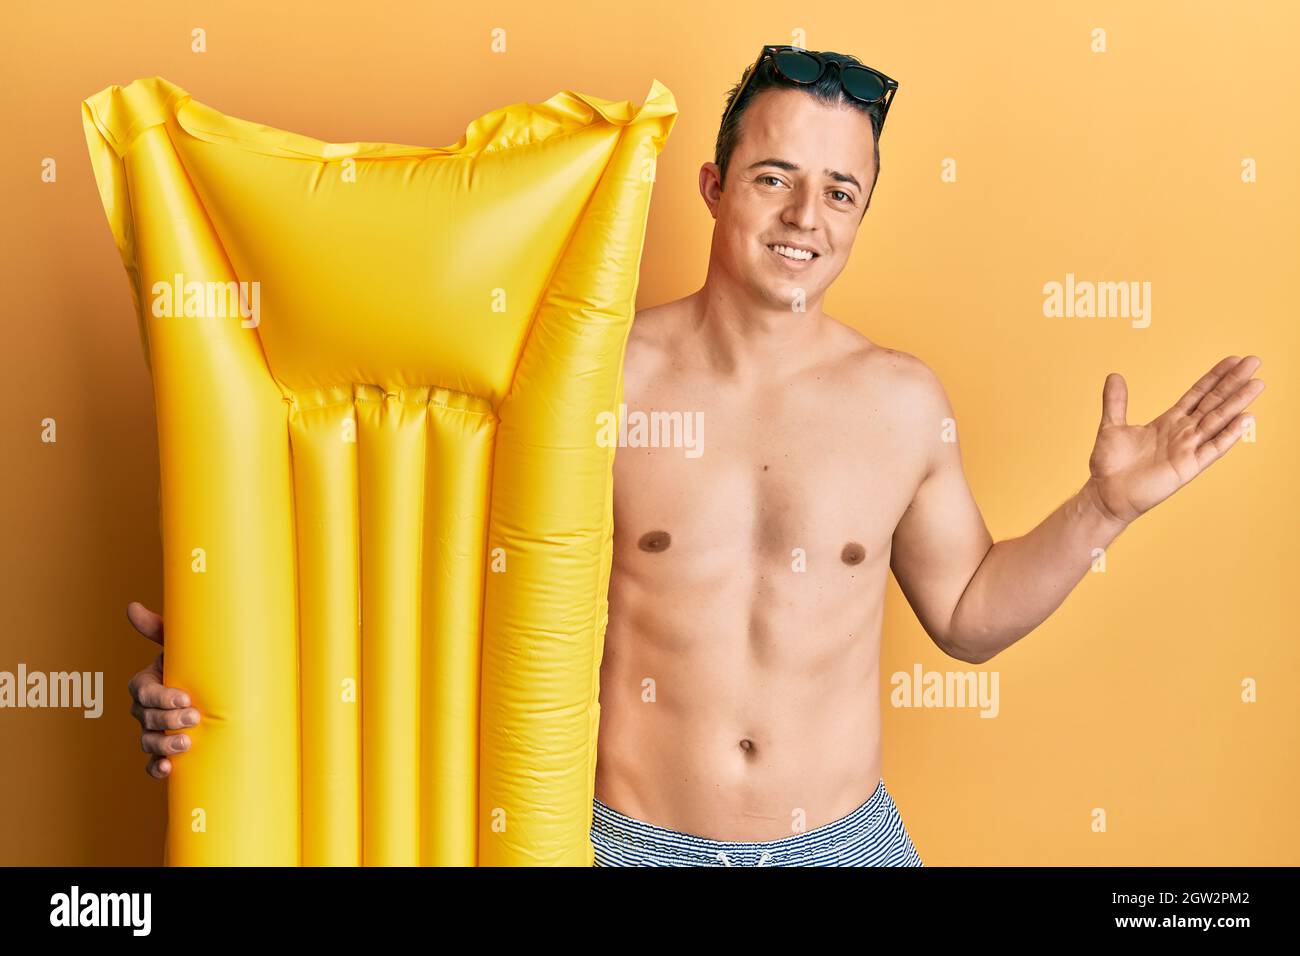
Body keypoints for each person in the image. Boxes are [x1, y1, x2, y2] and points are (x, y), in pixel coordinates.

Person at [125, 45, 1265, 867]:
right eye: (773, 177)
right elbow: (406, 567)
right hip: (623, 846)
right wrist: (235, 659)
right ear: (715, 187)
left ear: (862, 216)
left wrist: (1102, 508)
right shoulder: (585, 380)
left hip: (843, 845)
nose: (803, 216)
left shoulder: (902, 401)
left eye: (839, 191)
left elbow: (966, 613)